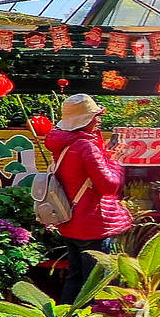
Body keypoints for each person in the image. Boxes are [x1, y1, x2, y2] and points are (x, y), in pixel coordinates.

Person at [49, 93, 130, 301]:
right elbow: (109, 186)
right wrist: (115, 161)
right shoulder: (86, 147)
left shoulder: (63, 145)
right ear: (86, 120)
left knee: (75, 278)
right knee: (95, 283)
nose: (99, 120)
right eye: (96, 116)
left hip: (70, 221)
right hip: (92, 224)